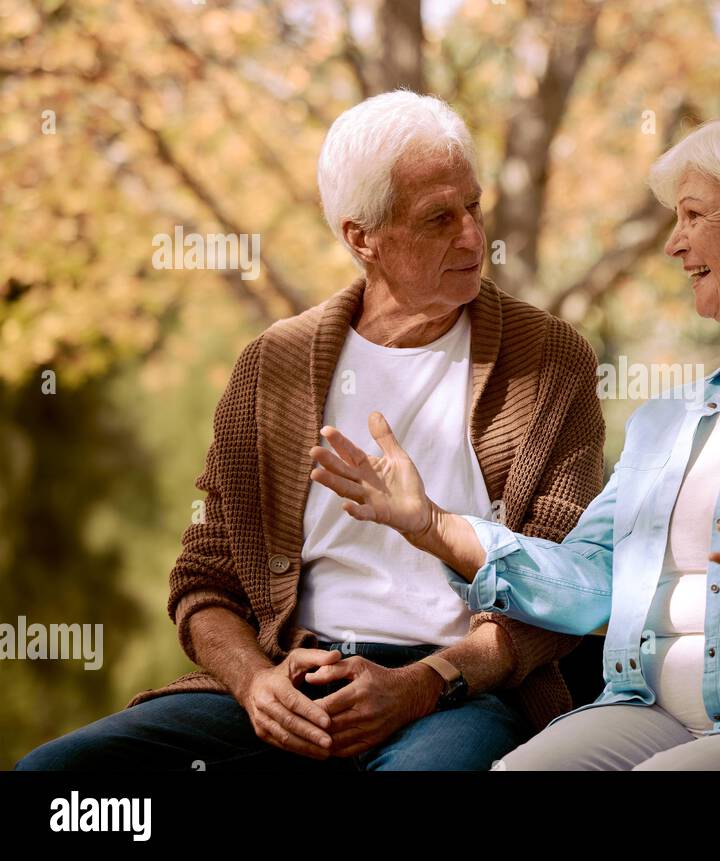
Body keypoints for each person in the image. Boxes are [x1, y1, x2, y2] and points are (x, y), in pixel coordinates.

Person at [309, 107, 720, 771]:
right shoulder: (669, 418)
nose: (675, 244)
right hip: (649, 709)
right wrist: (433, 524)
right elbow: (592, 580)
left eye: (694, 216)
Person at [17, 91, 605, 771]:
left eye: (473, 206)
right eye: (440, 218)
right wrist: (255, 683)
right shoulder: (275, 364)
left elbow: (561, 587)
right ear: (362, 237)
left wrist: (421, 683)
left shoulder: (551, 358)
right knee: (56, 779)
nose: (473, 237)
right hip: (292, 672)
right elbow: (204, 581)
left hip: (459, 691)